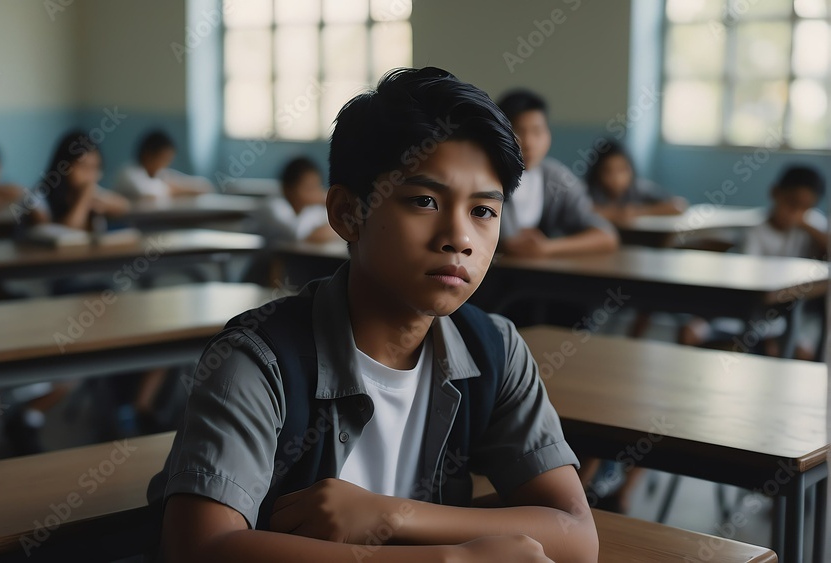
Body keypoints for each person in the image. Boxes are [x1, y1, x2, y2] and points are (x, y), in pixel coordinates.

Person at [147, 67, 598, 562]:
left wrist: (390, 515)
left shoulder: (496, 349)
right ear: (346, 213)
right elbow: (199, 549)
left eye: (483, 211)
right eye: (424, 201)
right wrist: (452, 559)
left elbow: (576, 536)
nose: (459, 238)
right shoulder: (258, 362)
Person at [680, 165, 828, 360]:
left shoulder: (813, 226)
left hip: (796, 314)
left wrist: (806, 225)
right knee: (694, 333)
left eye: (805, 208)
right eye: (791, 204)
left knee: (796, 350)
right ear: (775, 193)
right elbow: (750, 279)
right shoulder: (755, 231)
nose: (796, 213)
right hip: (753, 308)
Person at [494, 89, 617, 258]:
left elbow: (607, 236)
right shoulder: (489, 176)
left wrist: (547, 247)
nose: (529, 142)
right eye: (518, 131)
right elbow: (509, 244)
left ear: (548, 135)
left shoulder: (554, 177)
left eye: (537, 131)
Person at [37, 130, 131, 229]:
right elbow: (67, 233)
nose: (91, 175)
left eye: (96, 167)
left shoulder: (91, 191)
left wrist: (102, 205)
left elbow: (124, 205)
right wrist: (83, 200)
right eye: (84, 167)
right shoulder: (41, 199)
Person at [585, 139, 686, 226]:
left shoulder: (639, 188)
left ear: (631, 169)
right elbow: (582, 213)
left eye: (622, 170)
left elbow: (679, 205)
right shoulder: (588, 191)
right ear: (597, 173)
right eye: (608, 171)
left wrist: (639, 212)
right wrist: (615, 214)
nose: (616, 178)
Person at [255, 156, 337, 244]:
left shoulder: (311, 210)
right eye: (309, 189)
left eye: (317, 187)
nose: (316, 194)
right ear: (288, 189)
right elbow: (297, 235)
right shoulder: (272, 208)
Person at [113, 130, 211, 202]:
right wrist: (176, 189)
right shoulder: (128, 173)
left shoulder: (160, 174)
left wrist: (178, 187)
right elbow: (147, 193)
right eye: (163, 159)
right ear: (148, 155)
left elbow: (203, 185)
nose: (166, 164)